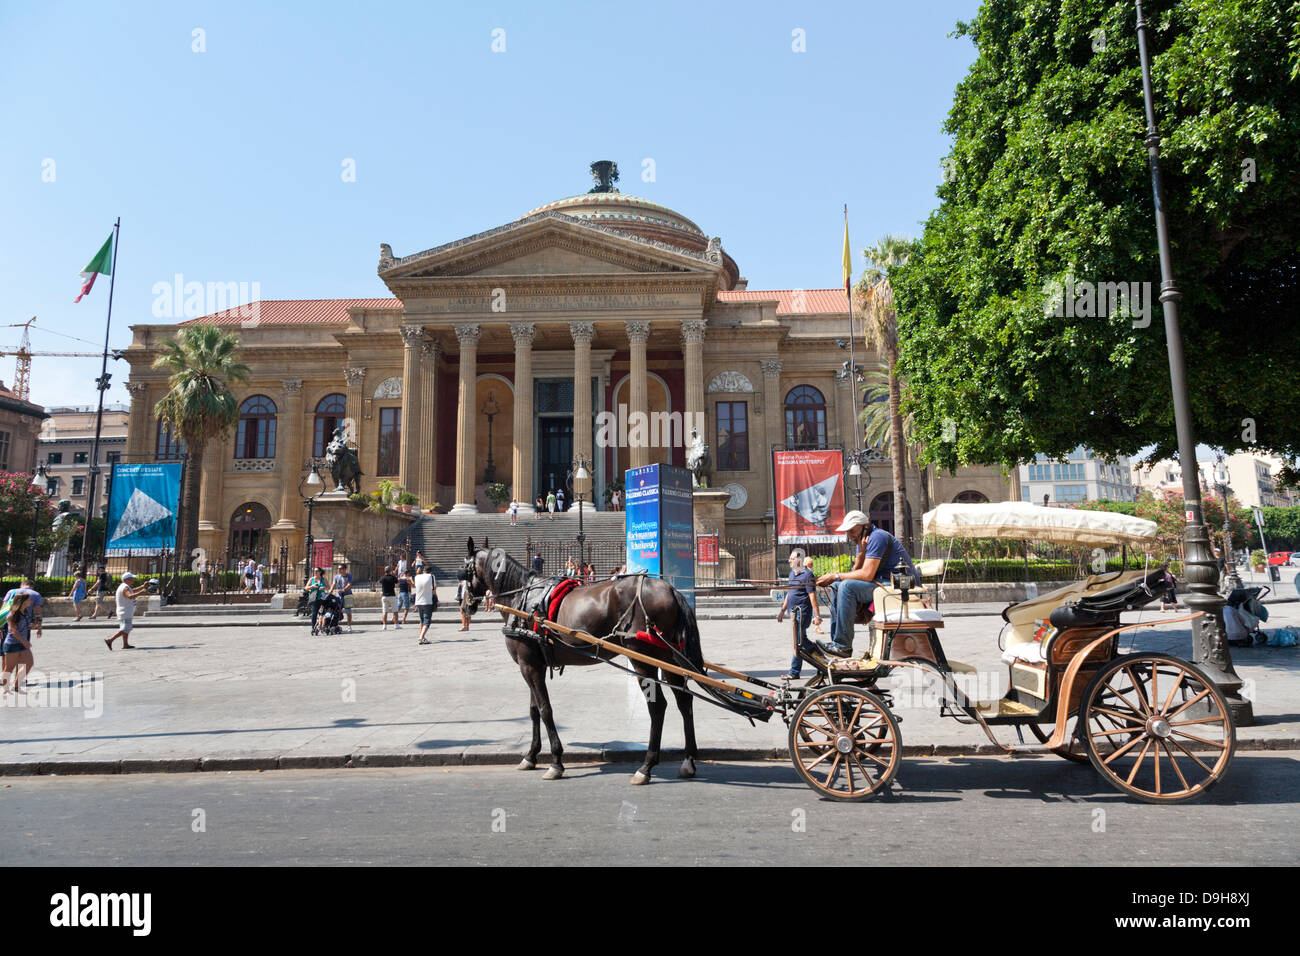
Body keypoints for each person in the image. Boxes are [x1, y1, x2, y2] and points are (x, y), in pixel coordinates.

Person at [815, 510, 918, 658]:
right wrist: (861, 554)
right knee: (837, 586)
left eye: (852, 531)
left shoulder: (877, 537)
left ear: (865, 526)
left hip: (896, 585)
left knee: (846, 586)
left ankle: (842, 646)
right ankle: (836, 643)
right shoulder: (862, 541)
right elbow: (855, 573)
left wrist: (835, 575)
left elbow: (867, 575)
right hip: (881, 583)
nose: (850, 535)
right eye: (848, 532)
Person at [776, 548, 822, 679]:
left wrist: (817, 616)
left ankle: (794, 672)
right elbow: (789, 594)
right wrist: (782, 611)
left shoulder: (808, 575)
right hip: (793, 613)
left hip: (802, 613)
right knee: (802, 640)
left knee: (798, 642)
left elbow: (812, 597)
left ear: (799, 560)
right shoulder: (792, 574)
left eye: (792, 558)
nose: (789, 560)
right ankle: (821, 656)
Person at [1, 591, 37, 695]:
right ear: (23, 601)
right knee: (9, 668)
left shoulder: (25, 612)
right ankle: (5, 688)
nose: (30, 601)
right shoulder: (12, 614)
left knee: (29, 663)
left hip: (22, 643)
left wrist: (32, 625)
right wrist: (24, 641)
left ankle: (16, 686)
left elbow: (24, 626)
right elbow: (12, 630)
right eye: (28, 599)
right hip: (12, 644)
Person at [106, 572, 149, 651]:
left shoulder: (125, 586)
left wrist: (142, 586)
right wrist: (141, 592)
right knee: (125, 628)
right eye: (131, 578)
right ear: (127, 579)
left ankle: (125, 644)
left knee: (126, 628)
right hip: (124, 611)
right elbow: (130, 596)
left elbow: (132, 590)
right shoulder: (125, 588)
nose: (133, 580)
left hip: (125, 611)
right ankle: (110, 640)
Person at [413, 564, 437, 645]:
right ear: (430, 572)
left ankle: (422, 636)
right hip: (427, 601)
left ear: (423, 571)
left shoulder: (417, 577)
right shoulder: (431, 577)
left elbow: (416, 587)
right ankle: (421, 637)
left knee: (422, 620)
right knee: (427, 621)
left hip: (418, 601)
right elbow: (434, 588)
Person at [332, 563, 355, 630]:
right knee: (337, 611)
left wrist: (343, 589)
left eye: (341, 569)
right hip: (339, 596)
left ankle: (349, 626)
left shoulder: (349, 576)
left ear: (344, 569)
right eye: (338, 569)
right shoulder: (337, 577)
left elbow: (349, 584)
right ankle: (336, 625)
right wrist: (330, 591)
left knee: (348, 611)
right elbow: (333, 584)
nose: (339, 570)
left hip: (348, 596)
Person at [305, 568, 328, 633]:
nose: (315, 572)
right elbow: (306, 588)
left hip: (322, 598)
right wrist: (312, 586)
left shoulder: (324, 579)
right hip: (314, 599)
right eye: (314, 571)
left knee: (323, 613)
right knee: (314, 614)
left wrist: (323, 588)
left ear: (320, 572)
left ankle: (323, 626)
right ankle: (313, 627)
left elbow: (328, 587)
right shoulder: (311, 579)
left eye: (317, 571)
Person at [379, 565, 400, 630]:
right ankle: (396, 625)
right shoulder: (393, 577)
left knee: (385, 612)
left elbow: (380, 582)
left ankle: (384, 625)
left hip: (384, 596)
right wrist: (393, 574)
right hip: (392, 595)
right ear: (390, 571)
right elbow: (398, 582)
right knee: (395, 611)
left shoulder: (382, 578)